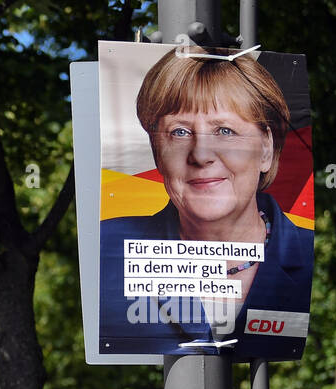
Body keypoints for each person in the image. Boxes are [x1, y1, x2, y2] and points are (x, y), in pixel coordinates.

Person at [99, 45, 313, 357]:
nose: (200, 155)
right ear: (157, 152)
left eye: (225, 131)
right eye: (180, 132)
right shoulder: (108, 250)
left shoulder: (309, 255)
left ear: (266, 148)